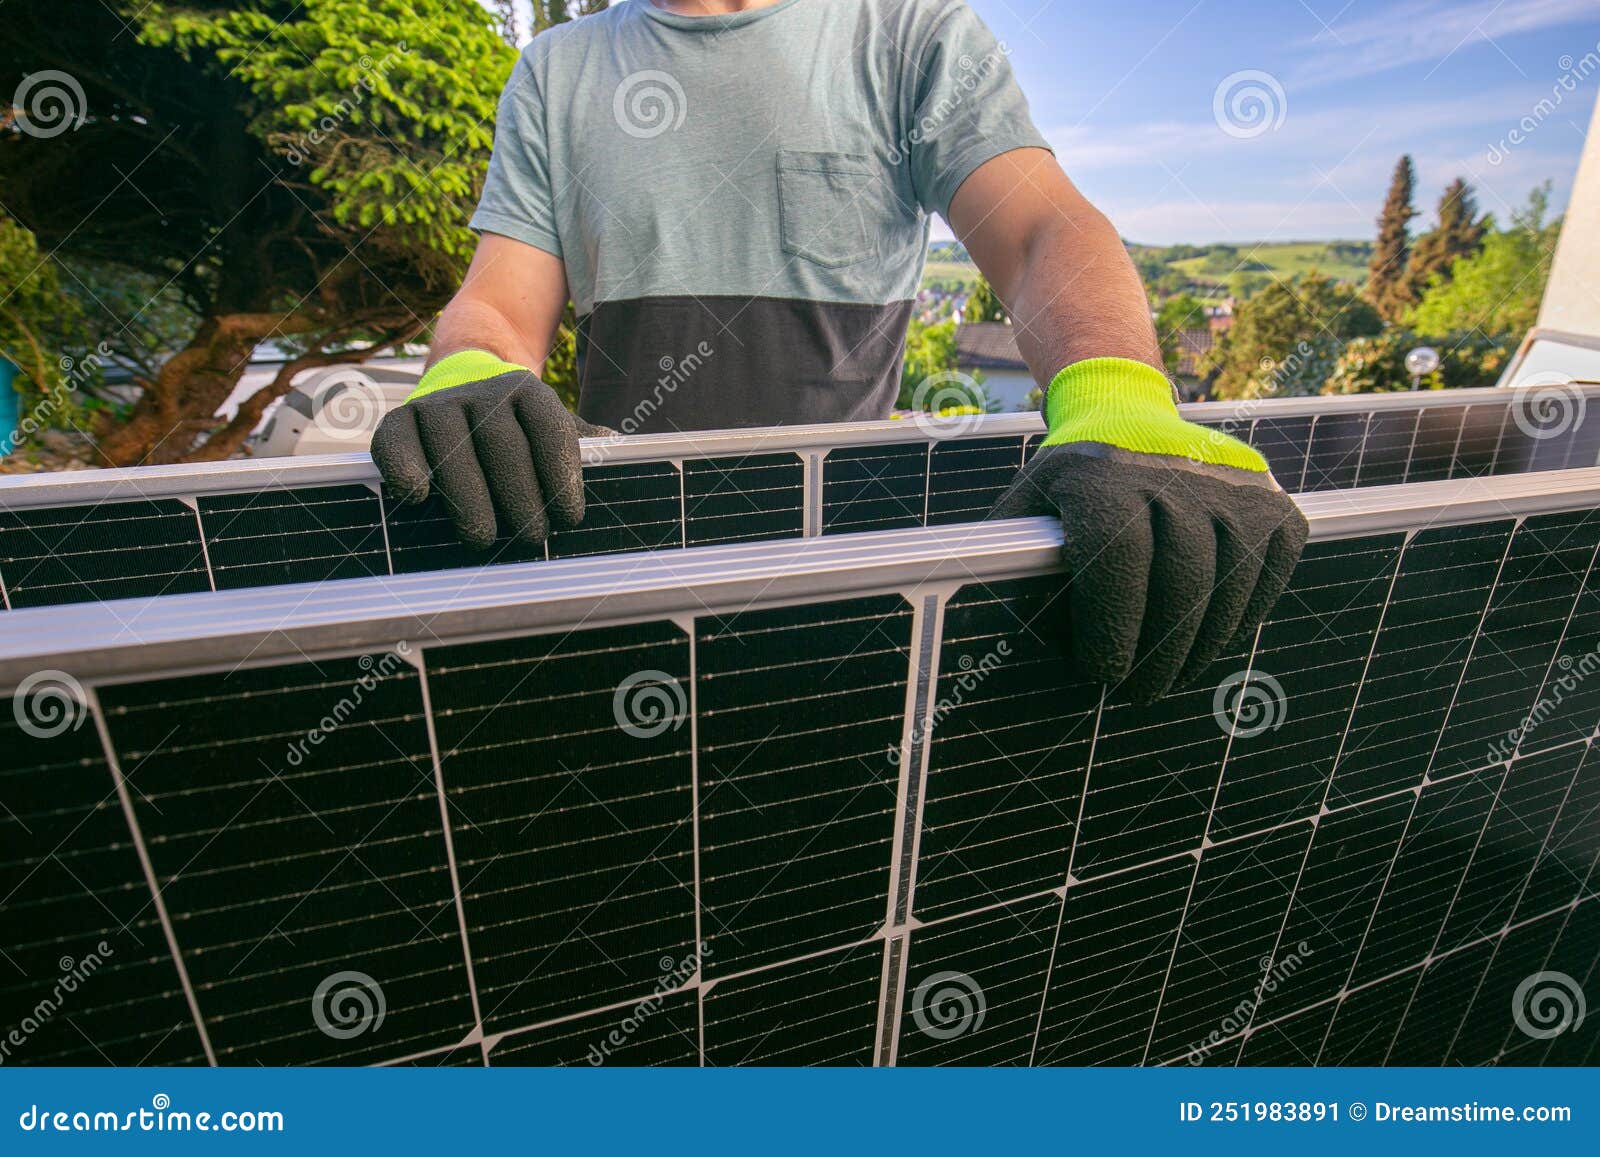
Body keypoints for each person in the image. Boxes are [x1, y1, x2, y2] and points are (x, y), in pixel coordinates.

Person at [371, 0, 1307, 702]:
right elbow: (499, 300)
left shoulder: (906, 34)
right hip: (628, 564)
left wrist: (1119, 400)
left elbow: (1039, 233)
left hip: (857, 577)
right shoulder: (554, 71)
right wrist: (472, 372)